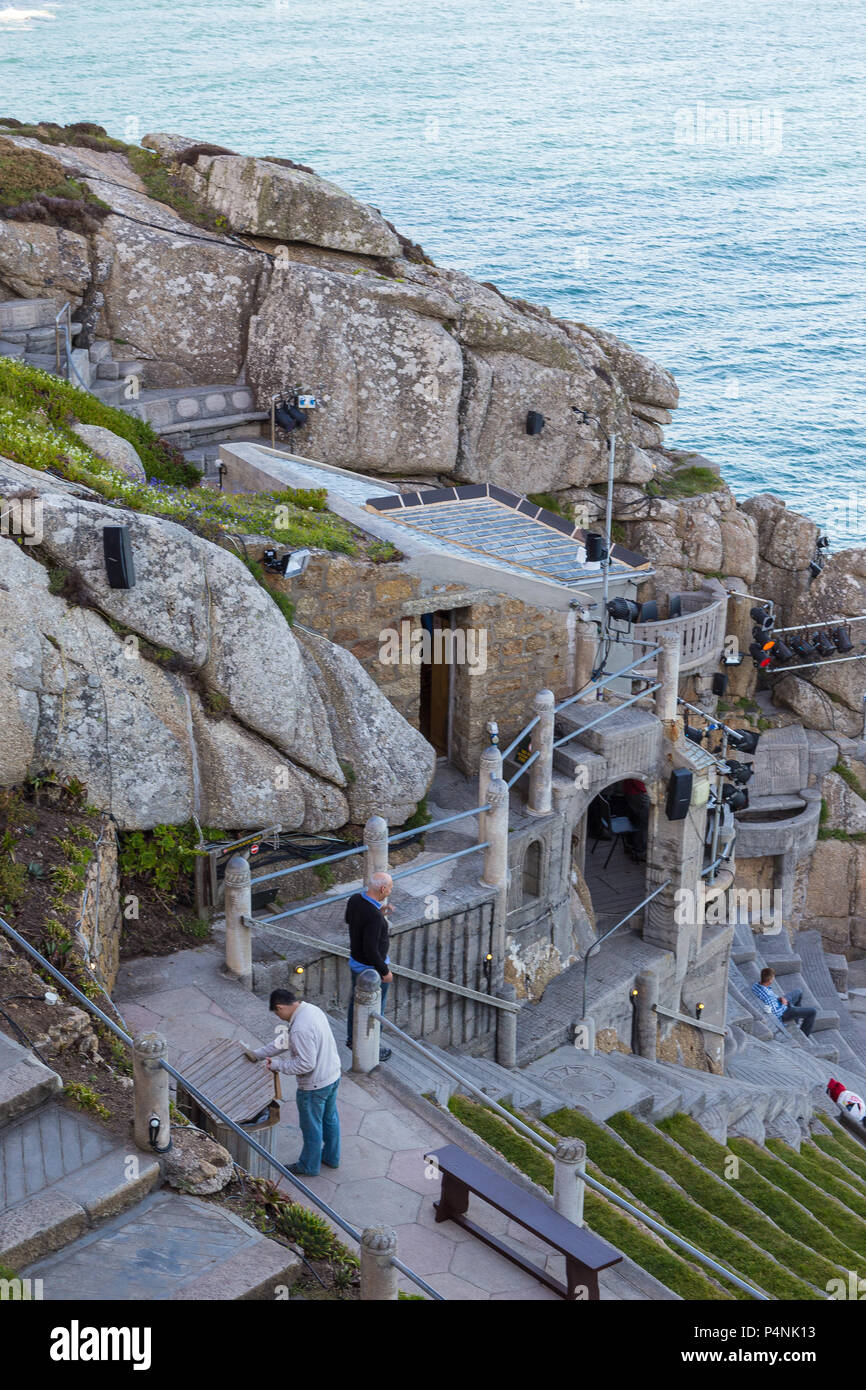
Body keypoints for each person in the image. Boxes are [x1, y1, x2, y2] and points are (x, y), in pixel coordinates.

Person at [244, 988, 341, 1176]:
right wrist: (258, 1054)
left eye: (277, 1013)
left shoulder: (299, 1029)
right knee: (330, 1119)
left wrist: (278, 1065)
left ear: (280, 1007)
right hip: (332, 1076)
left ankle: (309, 1166)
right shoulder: (310, 1010)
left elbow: (305, 1064)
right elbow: (283, 1041)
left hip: (314, 1086)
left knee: (311, 1127)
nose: (279, 1018)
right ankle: (331, 1157)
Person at [345, 870, 393, 1062]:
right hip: (370, 970)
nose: (390, 890)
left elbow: (351, 920)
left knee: (353, 1004)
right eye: (390, 887)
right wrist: (385, 972)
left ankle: (351, 1038)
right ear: (383, 889)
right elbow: (371, 949)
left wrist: (379, 914)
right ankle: (370, 1045)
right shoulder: (373, 917)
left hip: (355, 963)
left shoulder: (355, 900)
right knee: (375, 1009)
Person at [751, 967, 817, 1037]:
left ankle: (796, 1020)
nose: (773, 978)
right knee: (813, 1011)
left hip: (778, 1002)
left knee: (799, 991)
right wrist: (784, 1004)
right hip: (785, 1012)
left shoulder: (756, 985)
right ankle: (804, 1034)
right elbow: (777, 1013)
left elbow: (771, 1000)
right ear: (770, 980)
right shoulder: (768, 998)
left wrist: (780, 999)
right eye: (773, 977)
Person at [622, 778, 650, 861]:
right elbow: (638, 778)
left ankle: (631, 845)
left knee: (635, 818)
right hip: (638, 792)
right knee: (644, 823)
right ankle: (640, 852)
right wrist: (646, 790)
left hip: (630, 790)